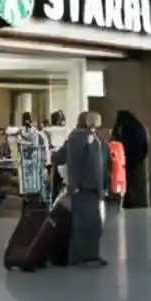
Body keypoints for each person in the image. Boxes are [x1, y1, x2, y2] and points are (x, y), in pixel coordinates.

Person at [54, 111, 108, 267]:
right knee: (84, 224)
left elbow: (61, 157)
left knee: (91, 223)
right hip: (84, 186)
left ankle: (89, 255)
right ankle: (81, 256)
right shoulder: (81, 138)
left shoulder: (86, 138)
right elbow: (78, 162)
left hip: (88, 187)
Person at [113, 110, 150, 209]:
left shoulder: (131, 129)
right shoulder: (137, 128)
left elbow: (124, 143)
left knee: (134, 182)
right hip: (136, 160)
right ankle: (136, 201)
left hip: (133, 160)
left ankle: (134, 201)